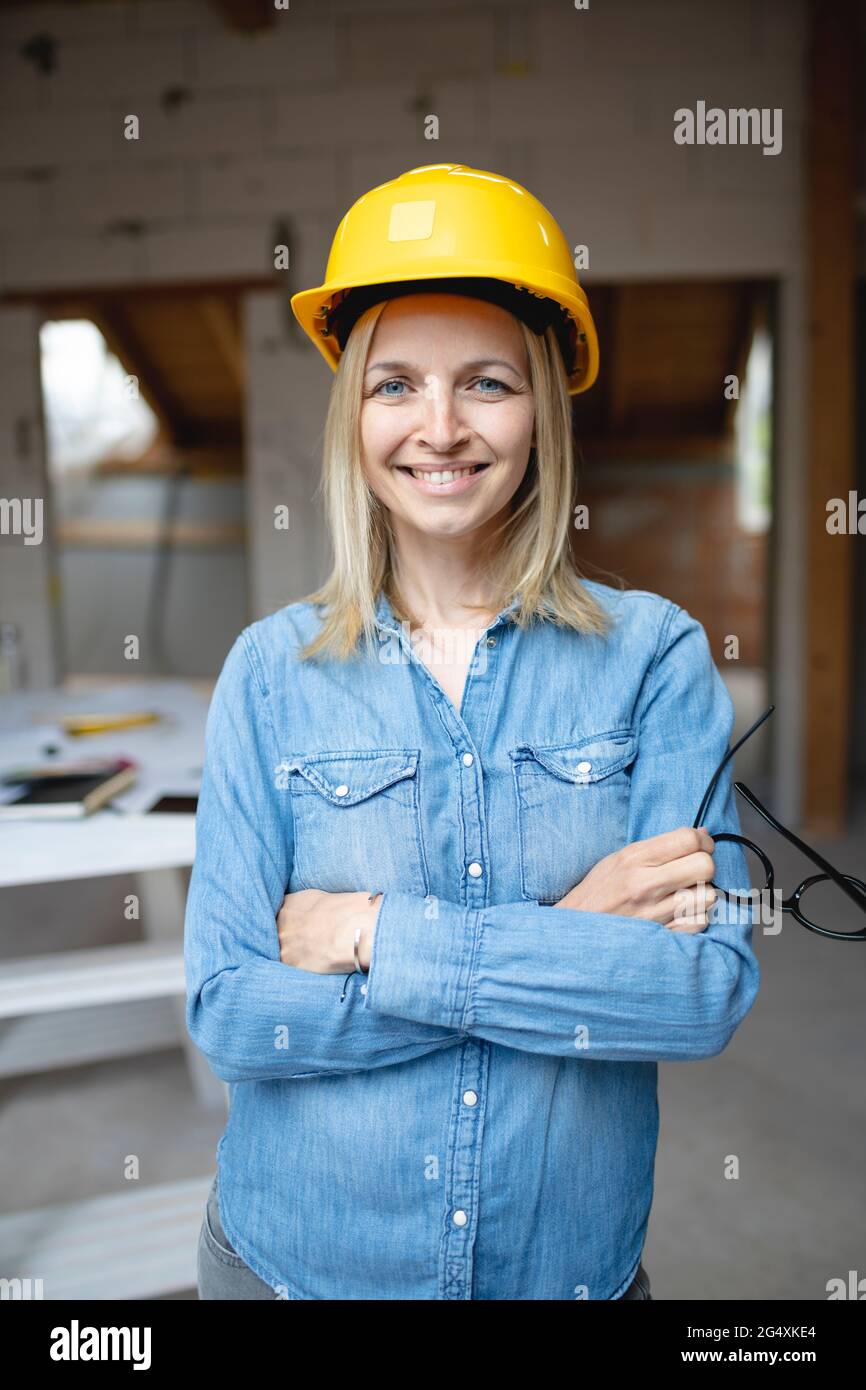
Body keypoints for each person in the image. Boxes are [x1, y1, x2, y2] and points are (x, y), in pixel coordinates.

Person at [186, 163, 759, 1301]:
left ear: (540, 405)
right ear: (354, 409)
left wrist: (377, 935)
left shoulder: (653, 657)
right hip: (295, 1271)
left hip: (563, 1276)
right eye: (395, 384)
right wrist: (567, 931)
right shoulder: (268, 674)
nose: (438, 428)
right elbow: (239, 1019)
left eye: (485, 383)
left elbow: (696, 995)